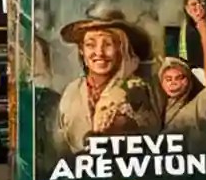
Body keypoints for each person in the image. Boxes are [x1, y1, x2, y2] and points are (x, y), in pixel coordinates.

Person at [54, 8, 159, 156]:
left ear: (121, 49)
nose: (99, 53)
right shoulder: (72, 91)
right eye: (90, 44)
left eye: (108, 44)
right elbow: (60, 146)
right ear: (81, 50)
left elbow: (150, 138)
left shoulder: (136, 89)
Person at [156, 0, 206, 153]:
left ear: (189, 81)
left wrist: (202, 22)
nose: (174, 83)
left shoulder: (199, 104)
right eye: (168, 79)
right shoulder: (156, 105)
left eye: (180, 78)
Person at [164, 0, 206, 72]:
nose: (198, 8)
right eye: (193, 4)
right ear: (186, 8)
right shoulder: (186, 26)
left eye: (201, 3)